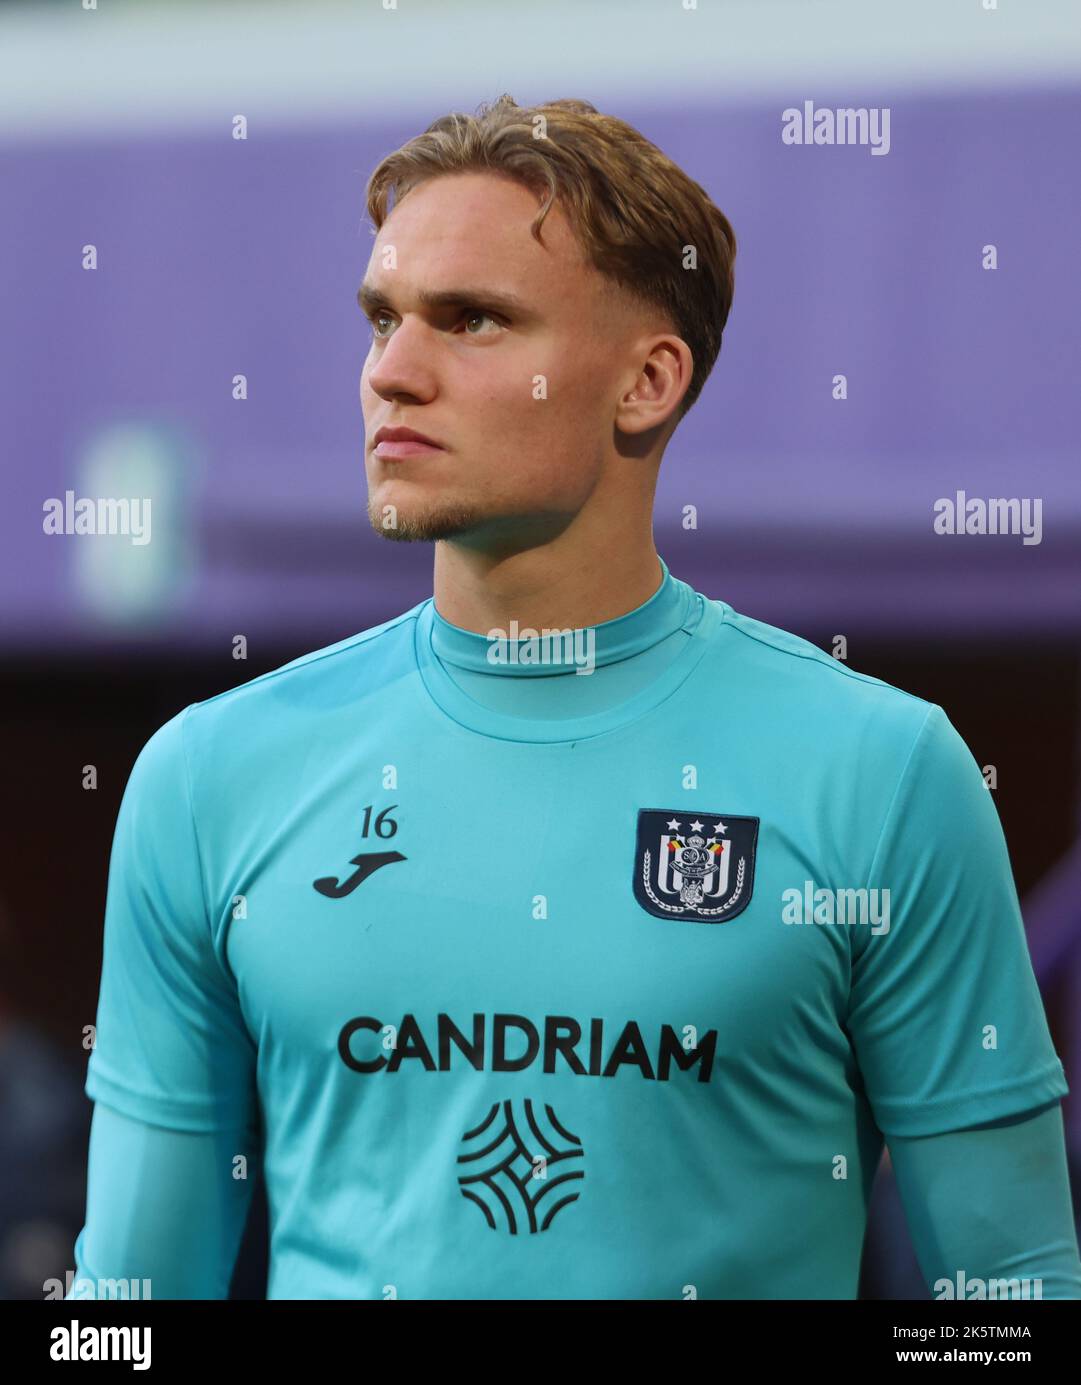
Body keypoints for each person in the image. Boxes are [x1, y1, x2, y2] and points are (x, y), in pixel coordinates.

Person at [68, 95, 1080, 1300]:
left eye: (473, 321)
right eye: (382, 319)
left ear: (646, 382)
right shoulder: (208, 775)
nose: (392, 372)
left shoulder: (886, 772)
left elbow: (1012, 1292)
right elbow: (128, 1306)